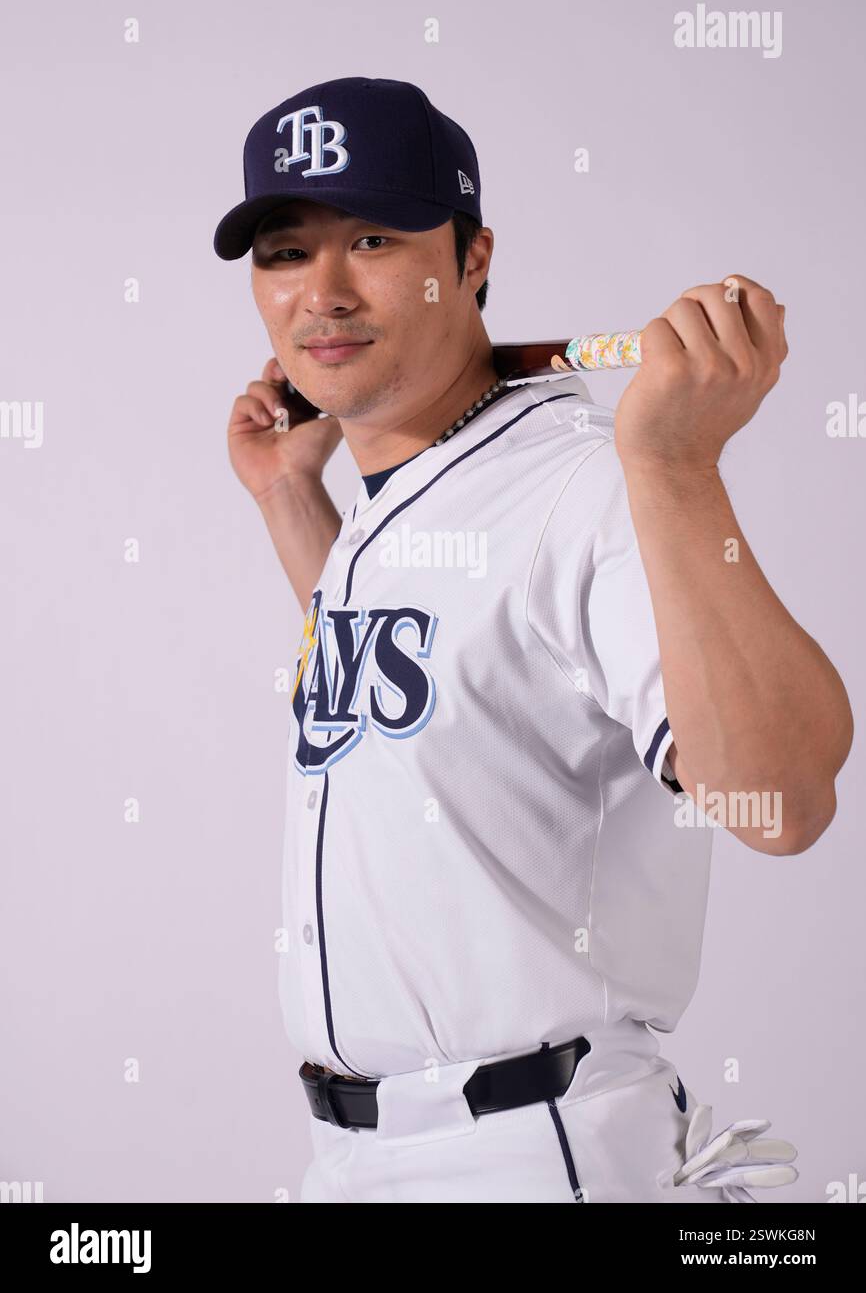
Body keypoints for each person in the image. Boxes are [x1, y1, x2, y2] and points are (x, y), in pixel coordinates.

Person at [214, 77, 852, 1203]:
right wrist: (287, 503)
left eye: (371, 238)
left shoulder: (586, 487)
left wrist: (675, 466)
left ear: (468, 258)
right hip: (351, 1159)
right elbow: (421, 702)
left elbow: (783, 797)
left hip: (525, 1150)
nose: (321, 291)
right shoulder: (390, 498)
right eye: (281, 251)